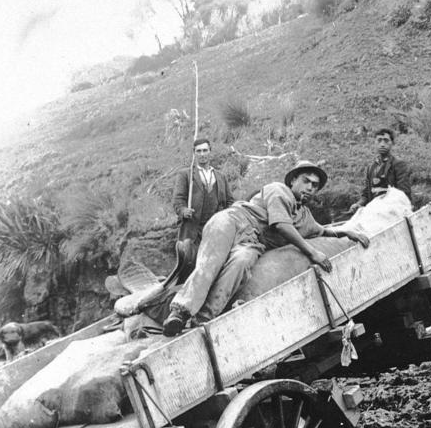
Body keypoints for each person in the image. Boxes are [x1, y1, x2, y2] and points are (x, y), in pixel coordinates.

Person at [162, 160, 370, 337]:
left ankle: (203, 320)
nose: (310, 188)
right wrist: (312, 252)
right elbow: (281, 225)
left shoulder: (304, 215)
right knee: (211, 262)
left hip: (251, 242)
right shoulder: (279, 190)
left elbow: (321, 231)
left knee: (241, 264)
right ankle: (180, 311)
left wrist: (346, 232)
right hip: (233, 221)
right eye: (305, 181)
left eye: (315, 186)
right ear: (293, 181)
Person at [172, 138, 233, 247]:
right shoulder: (185, 175)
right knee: (188, 259)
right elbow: (178, 200)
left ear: (210, 151)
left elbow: (230, 201)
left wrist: (227, 218)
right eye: (198, 151)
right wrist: (183, 210)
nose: (202, 154)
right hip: (193, 230)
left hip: (216, 229)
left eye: (205, 150)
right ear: (194, 153)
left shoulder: (221, 176)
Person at [354, 128, 412, 211]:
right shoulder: (371, 167)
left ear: (392, 143)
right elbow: (366, 193)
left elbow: (404, 193)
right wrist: (358, 204)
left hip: (392, 210)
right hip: (374, 210)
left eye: (386, 141)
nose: (382, 144)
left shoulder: (398, 164)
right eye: (379, 140)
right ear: (375, 143)